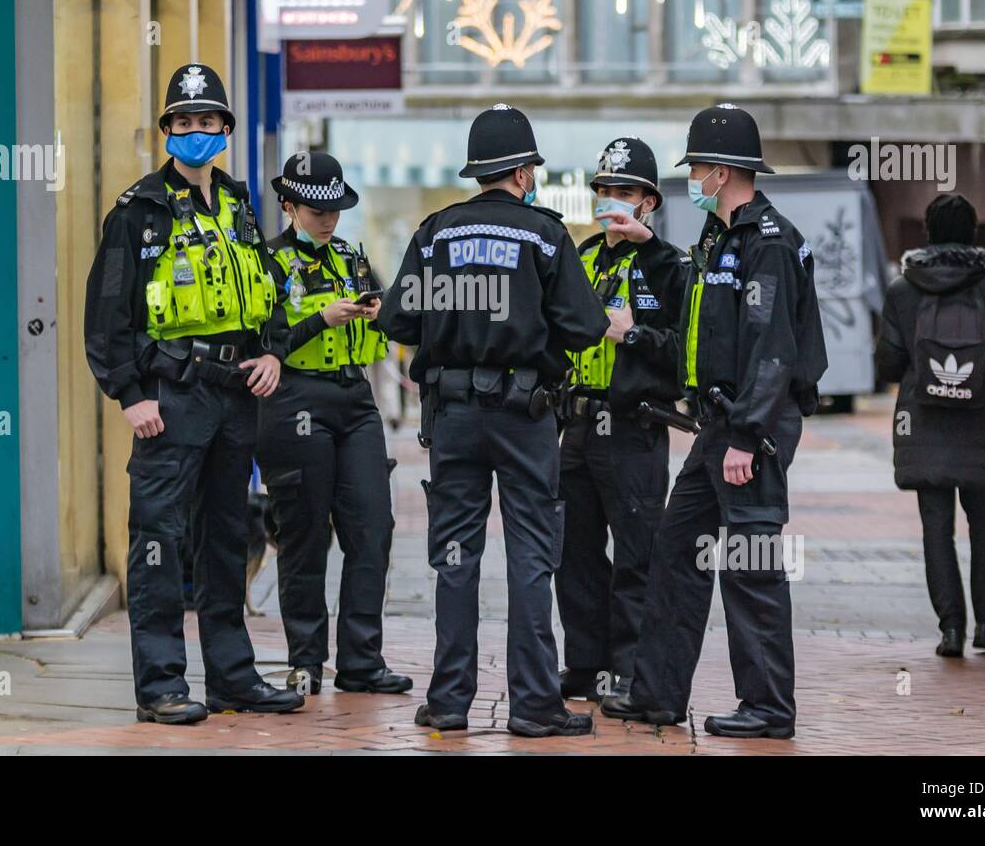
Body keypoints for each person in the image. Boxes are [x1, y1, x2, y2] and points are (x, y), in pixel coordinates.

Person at [378, 104, 609, 737]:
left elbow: (396, 320)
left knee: (455, 557)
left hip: (453, 417)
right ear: (523, 171)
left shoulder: (435, 233)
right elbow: (587, 326)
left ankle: (450, 702)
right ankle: (535, 706)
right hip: (525, 419)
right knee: (532, 557)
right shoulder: (543, 234)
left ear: (480, 170)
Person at [84, 62, 303, 723]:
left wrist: (271, 350)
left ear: (226, 129)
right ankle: (161, 685)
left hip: (236, 393)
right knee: (157, 538)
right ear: (168, 131)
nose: (195, 132)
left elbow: (268, 293)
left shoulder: (238, 204)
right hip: (171, 397)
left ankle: (234, 676)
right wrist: (130, 394)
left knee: (227, 535)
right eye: (183, 122)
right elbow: (106, 313)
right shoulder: (139, 212)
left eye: (207, 121)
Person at [602, 103, 826, 739]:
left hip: (751, 425)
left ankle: (768, 708)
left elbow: (773, 347)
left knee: (751, 564)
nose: (692, 178)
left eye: (697, 167)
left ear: (723, 172)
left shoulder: (769, 243)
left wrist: (750, 435)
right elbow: (702, 330)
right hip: (718, 424)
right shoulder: (715, 240)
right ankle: (658, 694)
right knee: (679, 551)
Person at [257, 151, 412, 696]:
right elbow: (263, 344)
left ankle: (362, 662)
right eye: (316, 208)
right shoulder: (268, 262)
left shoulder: (353, 258)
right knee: (303, 534)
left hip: (355, 397)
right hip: (295, 398)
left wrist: (380, 310)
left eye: (335, 209)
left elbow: (396, 316)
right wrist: (320, 319)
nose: (328, 218)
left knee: (373, 528)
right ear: (289, 205)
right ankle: (305, 660)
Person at [874, 194, 985, 656]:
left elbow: (888, 364)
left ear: (928, 232)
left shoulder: (904, 289)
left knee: (936, 526)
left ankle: (950, 628)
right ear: (973, 233)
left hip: (925, 426)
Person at [555, 137, 688, 703]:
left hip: (634, 427)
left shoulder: (670, 265)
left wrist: (629, 331)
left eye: (625, 192)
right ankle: (585, 667)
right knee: (573, 553)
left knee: (638, 553)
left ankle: (631, 670)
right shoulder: (581, 258)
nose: (612, 201)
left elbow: (687, 350)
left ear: (649, 202)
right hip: (578, 425)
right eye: (605, 190)